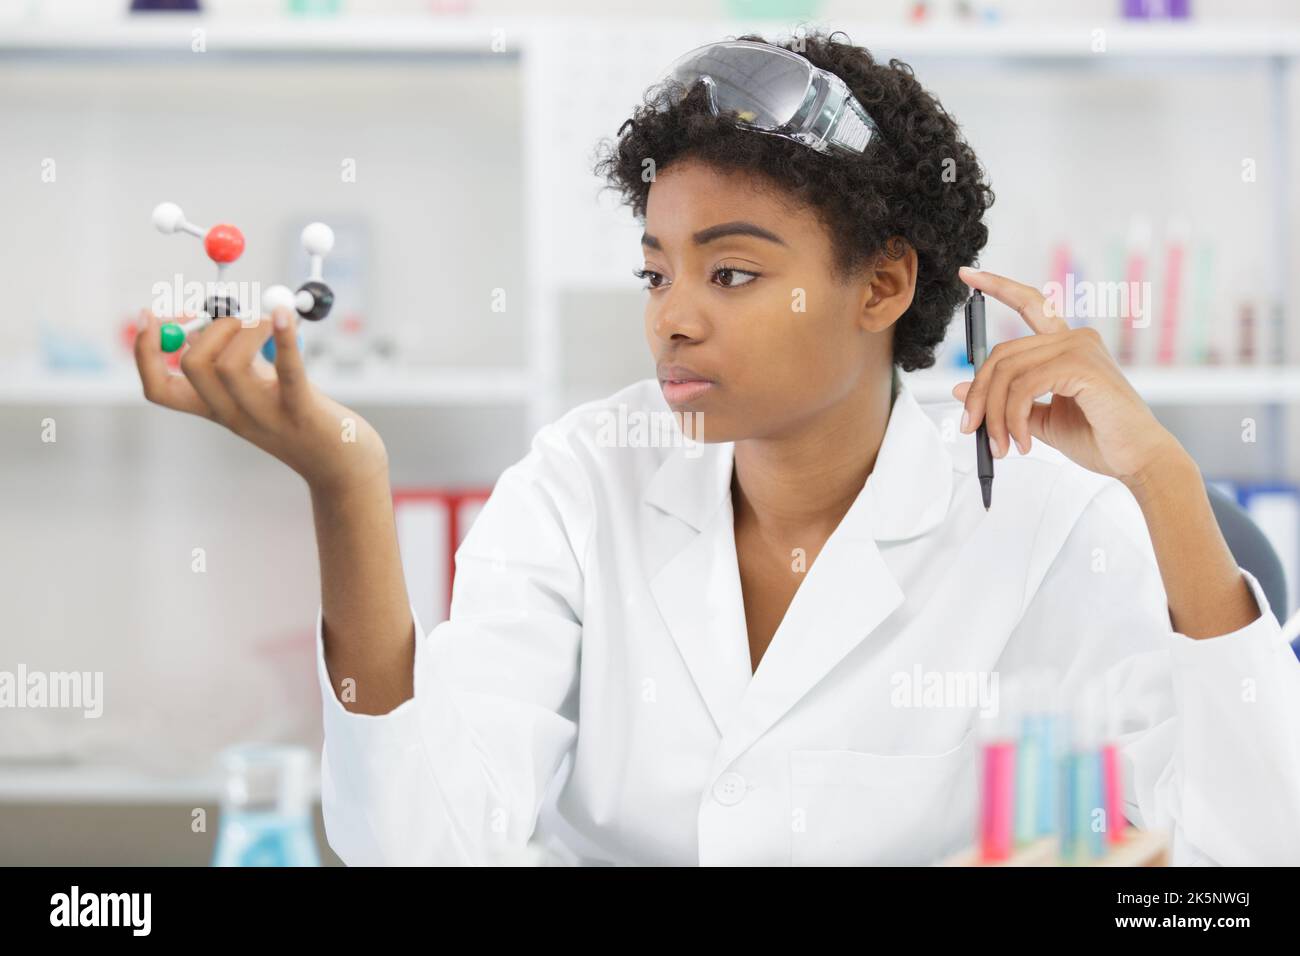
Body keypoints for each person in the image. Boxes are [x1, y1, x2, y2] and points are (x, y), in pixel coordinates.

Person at [134, 30, 1300, 866]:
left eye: (732, 271)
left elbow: (1240, 858)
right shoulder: (582, 481)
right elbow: (416, 844)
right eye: (657, 270)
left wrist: (1163, 482)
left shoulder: (1048, 512)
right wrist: (347, 481)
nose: (671, 315)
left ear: (883, 283)